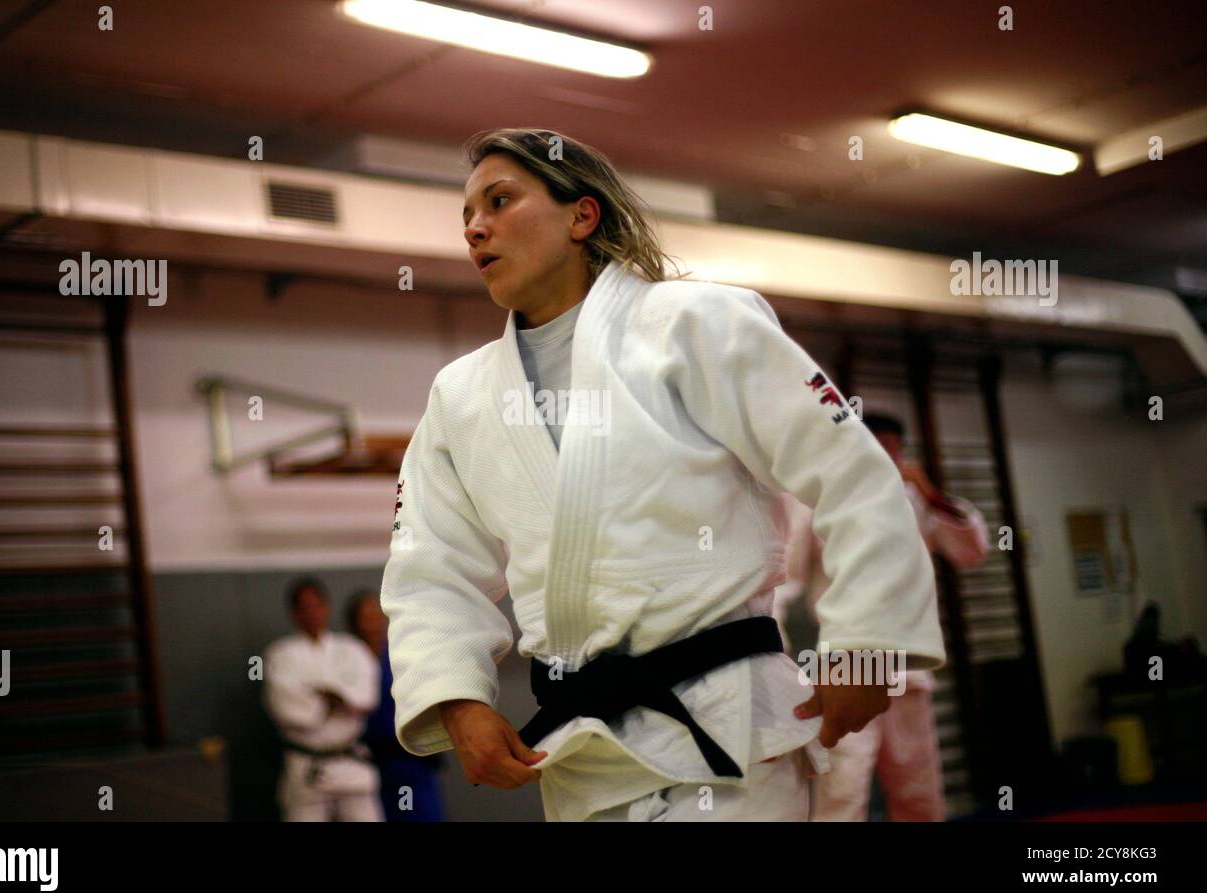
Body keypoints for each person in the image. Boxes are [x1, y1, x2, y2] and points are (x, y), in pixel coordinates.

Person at [379, 127, 945, 822]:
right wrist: (458, 697)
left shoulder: (694, 322)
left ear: (581, 215)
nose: (475, 229)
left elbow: (849, 470)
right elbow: (427, 565)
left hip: (730, 729)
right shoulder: (458, 396)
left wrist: (866, 639)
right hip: (582, 756)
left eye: (498, 201)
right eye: (466, 216)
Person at [778, 411, 989, 822]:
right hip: (849, 658)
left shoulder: (915, 502)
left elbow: (971, 551)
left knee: (919, 787)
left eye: (894, 447)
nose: (886, 454)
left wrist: (931, 492)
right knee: (843, 789)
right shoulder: (818, 496)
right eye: (877, 443)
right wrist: (771, 642)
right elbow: (788, 577)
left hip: (907, 656)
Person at [263, 577, 383, 822]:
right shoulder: (280, 655)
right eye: (305, 607)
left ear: (327, 607)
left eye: (317, 605)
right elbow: (285, 708)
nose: (312, 612)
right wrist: (337, 701)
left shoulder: (352, 649)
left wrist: (329, 696)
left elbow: (367, 697)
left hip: (351, 763)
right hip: (306, 767)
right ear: (294, 613)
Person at [347, 588, 447, 822]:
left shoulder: (402, 655)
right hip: (369, 759)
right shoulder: (349, 658)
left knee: (418, 813)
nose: (373, 621)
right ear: (355, 622)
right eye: (366, 615)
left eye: (376, 614)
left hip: (411, 758)